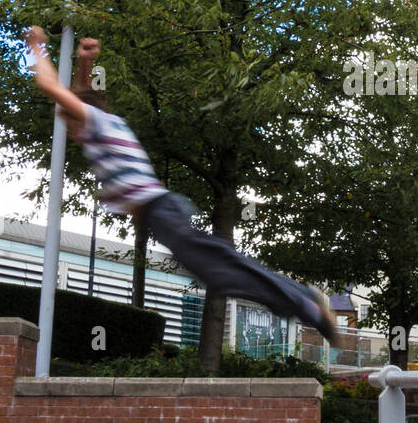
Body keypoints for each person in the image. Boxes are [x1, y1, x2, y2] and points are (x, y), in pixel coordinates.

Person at [24, 28, 344, 346]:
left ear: (79, 118)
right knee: (220, 272)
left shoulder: (95, 123)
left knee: (224, 270)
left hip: (162, 213)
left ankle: (304, 302)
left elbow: (50, 86)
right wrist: (84, 62)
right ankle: (300, 302)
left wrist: (37, 47)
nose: (74, 136)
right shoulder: (103, 121)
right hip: (162, 215)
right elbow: (80, 94)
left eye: (71, 127)